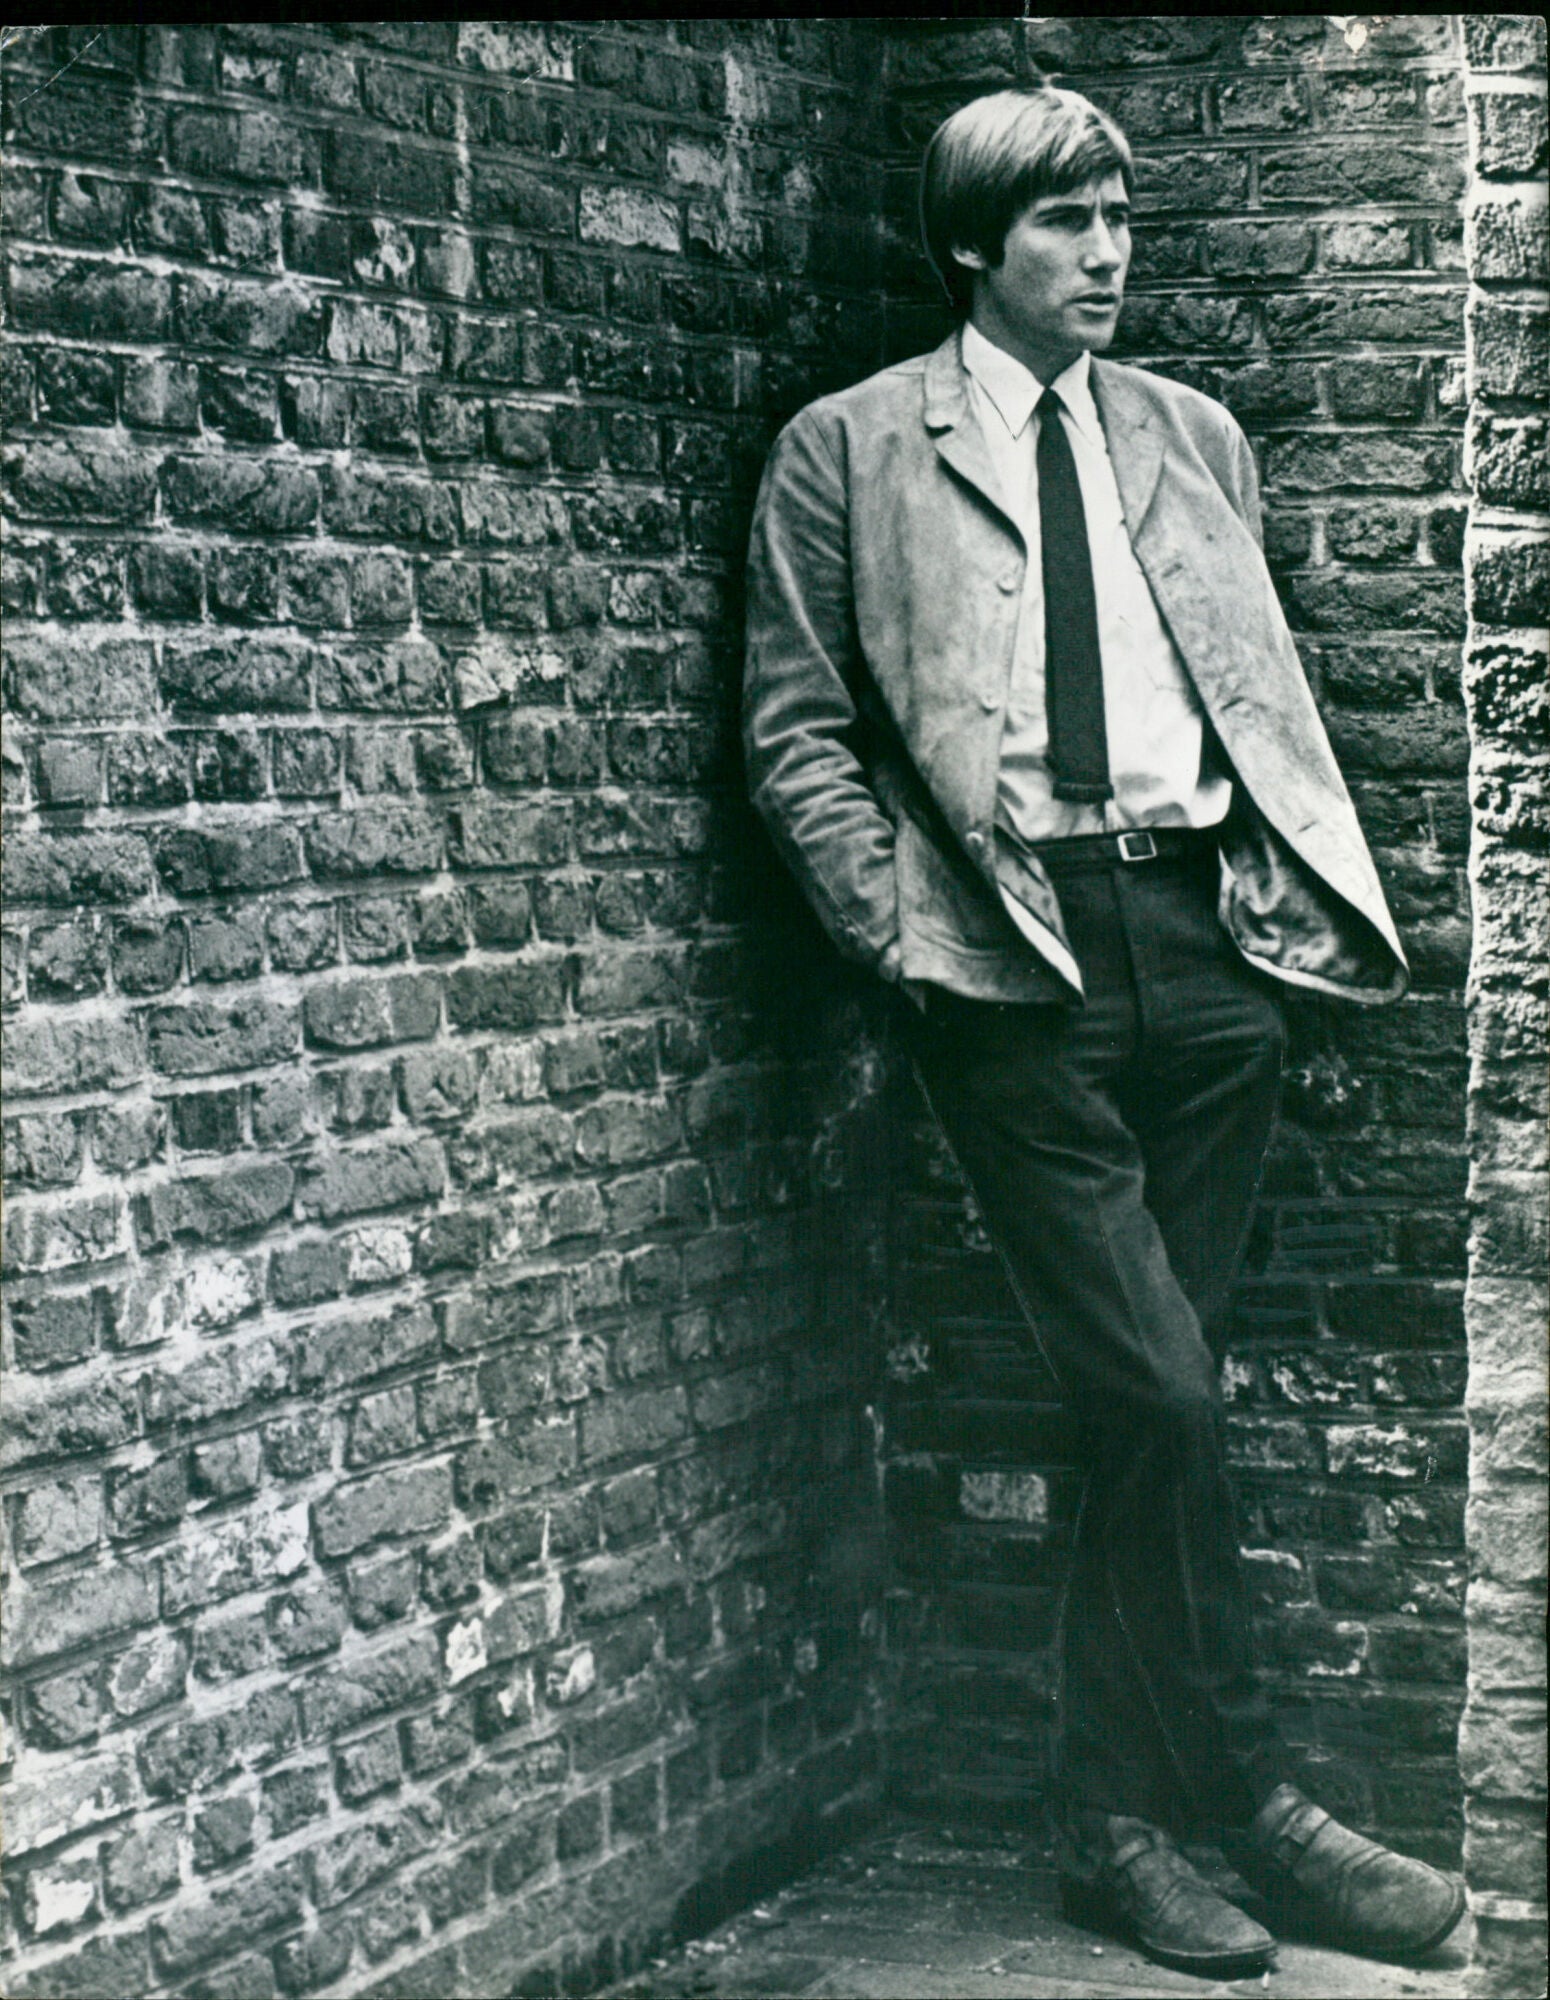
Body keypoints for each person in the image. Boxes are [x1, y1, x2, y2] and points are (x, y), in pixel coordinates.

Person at [743, 86, 1466, 1979]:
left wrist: (1268, 913)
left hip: (1202, 944)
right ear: (978, 245)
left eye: (1121, 218)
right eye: (1067, 223)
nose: (1109, 254)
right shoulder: (848, 453)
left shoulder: (1187, 436)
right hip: (1013, 957)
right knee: (1157, 1395)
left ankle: (1152, 1824)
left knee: (1152, 1412)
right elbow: (797, 734)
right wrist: (900, 936)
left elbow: (1251, 680)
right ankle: (1215, 1805)